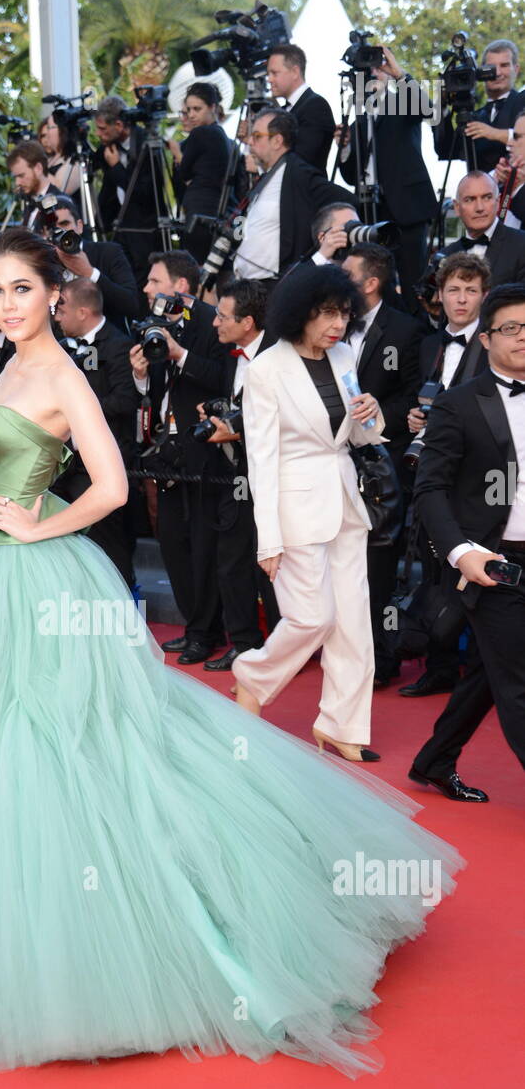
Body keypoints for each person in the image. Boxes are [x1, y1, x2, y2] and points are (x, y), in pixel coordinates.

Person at [0, 225, 461, 1075]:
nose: (4, 304)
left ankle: (101, 948)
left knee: (63, 747)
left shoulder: (62, 371)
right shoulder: (4, 368)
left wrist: (34, 521)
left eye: (21, 290)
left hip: (35, 580)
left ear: (55, 295)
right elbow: (4, 450)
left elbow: (108, 484)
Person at [233, 264, 386, 759]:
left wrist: (370, 414)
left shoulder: (344, 353)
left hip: (343, 497)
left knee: (354, 622)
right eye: (325, 313)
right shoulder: (265, 369)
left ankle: (341, 725)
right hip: (293, 505)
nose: (337, 323)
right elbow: (261, 458)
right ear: (298, 313)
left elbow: (355, 436)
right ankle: (253, 676)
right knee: (312, 618)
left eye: (343, 312)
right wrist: (268, 538)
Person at [410, 282, 525, 796]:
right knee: (518, 680)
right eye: (511, 328)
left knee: (488, 669)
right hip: (491, 562)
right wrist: (462, 554)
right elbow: (430, 488)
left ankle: (435, 760)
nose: (523, 337)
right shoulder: (458, 404)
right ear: (486, 338)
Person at [129, 249, 231, 663]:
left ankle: (206, 633)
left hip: (206, 452)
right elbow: (154, 395)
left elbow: (224, 379)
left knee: (204, 546)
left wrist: (180, 355)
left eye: (154, 281)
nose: (146, 288)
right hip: (167, 455)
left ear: (181, 287)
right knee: (173, 542)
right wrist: (140, 374)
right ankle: (194, 626)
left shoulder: (212, 323)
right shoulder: (155, 327)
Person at [399, 254, 491, 700]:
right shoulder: (428, 345)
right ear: (440, 294)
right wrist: (415, 419)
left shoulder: (495, 345)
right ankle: (439, 667)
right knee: (435, 567)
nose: (461, 298)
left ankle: (482, 676)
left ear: (484, 296)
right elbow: (421, 398)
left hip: (478, 476)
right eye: (454, 289)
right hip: (434, 471)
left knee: (476, 572)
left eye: (470, 290)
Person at [340, 243, 423, 687]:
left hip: (380, 468)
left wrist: (380, 410)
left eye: (346, 274)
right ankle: (346, 654)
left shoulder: (405, 331)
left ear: (370, 283)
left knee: (377, 569)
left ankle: (380, 659)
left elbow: (416, 397)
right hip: (333, 462)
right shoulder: (331, 327)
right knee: (343, 567)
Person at [200, 276, 280, 672]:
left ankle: (284, 646)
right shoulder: (230, 358)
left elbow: (286, 418)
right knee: (232, 561)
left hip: (276, 480)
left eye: (222, 315)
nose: (215, 322)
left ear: (247, 322)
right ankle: (245, 644)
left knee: (273, 564)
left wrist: (237, 429)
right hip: (235, 477)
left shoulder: (280, 358)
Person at [52, 276, 139, 586]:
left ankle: (120, 620)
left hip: (102, 467)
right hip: (62, 467)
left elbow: (126, 400)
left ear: (83, 312)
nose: (57, 317)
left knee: (108, 547)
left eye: (62, 310)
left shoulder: (119, 346)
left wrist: (78, 412)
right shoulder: (59, 348)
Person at [337, 46, 436, 310]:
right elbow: (349, 175)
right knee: (377, 283)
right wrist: (345, 147)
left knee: (413, 283)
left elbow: (428, 109)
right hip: (371, 210)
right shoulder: (358, 117)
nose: (372, 75)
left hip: (407, 208)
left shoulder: (401, 102)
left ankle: (417, 336)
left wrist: (399, 73)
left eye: (377, 69)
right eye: (366, 72)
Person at [235, 109, 352, 288]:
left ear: (277, 141)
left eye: (257, 136)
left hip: (274, 286)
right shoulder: (266, 177)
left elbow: (347, 200)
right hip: (246, 286)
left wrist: (321, 247)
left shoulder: (299, 174)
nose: (250, 142)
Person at [92, 95, 165, 285]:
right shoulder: (108, 145)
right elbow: (91, 163)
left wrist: (116, 168)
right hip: (119, 226)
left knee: (142, 284)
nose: (98, 134)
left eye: (102, 128)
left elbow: (145, 192)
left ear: (118, 125)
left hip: (144, 229)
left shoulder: (146, 143)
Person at [434, 38, 524, 175]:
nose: (497, 73)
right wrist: (441, 107)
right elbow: (446, 151)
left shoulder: (522, 101)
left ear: (516, 69)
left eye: (504, 65)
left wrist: (495, 133)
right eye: (491, 67)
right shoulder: (474, 117)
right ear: (480, 72)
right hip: (481, 194)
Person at [47, 194, 140, 326]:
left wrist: (90, 273)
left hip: (107, 341)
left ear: (79, 226)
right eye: (53, 228)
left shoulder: (109, 253)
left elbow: (131, 305)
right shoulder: (44, 264)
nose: (60, 232)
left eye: (65, 224)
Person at [168, 83, 232, 266]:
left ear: (213, 107)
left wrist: (177, 152)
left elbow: (185, 171)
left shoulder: (201, 133)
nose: (192, 115)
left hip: (199, 215)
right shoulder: (222, 136)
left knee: (195, 271)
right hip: (215, 213)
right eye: (188, 110)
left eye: (197, 109)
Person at [437, 172, 525, 285]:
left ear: (498, 202)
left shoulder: (522, 245)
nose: (479, 208)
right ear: (457, 207)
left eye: (487, 198)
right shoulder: (445, 257)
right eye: (470, 199)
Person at [267, 43, 336, 175]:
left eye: (274, 73)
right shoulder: (284, 110)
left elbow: (303, 160)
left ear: (295, 72)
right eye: (268, 73)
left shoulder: (316, 106)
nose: (269, 79)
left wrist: (263, 162)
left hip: (305, 193)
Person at [6, 141, 60, 227]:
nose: (17, 182)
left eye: (21, 175)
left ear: (38, 168)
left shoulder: (58, 205)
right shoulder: (30, 202)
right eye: (15, 177)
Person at [38, 114, 82, 199]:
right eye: (43, 135)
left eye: (50, 128)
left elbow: (59, 195)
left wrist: (35, 166)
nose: (47, 138)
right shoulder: (50, 159)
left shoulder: (76, 160)